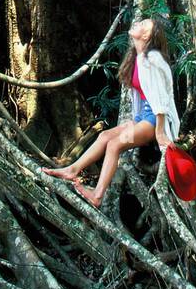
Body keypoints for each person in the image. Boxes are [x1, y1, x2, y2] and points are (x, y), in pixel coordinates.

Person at [42, 15, 180, 207]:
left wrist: (160, 133)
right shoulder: (138, 57)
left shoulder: (152, 58)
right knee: (105, 136)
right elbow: (140, 95)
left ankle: (97, 195)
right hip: (143, 119)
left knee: (114, 145)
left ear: (147, 36)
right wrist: (134, 121)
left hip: (155, 121)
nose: (137, 23)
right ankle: (72, 170)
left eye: (143, 25)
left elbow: (161, 99)